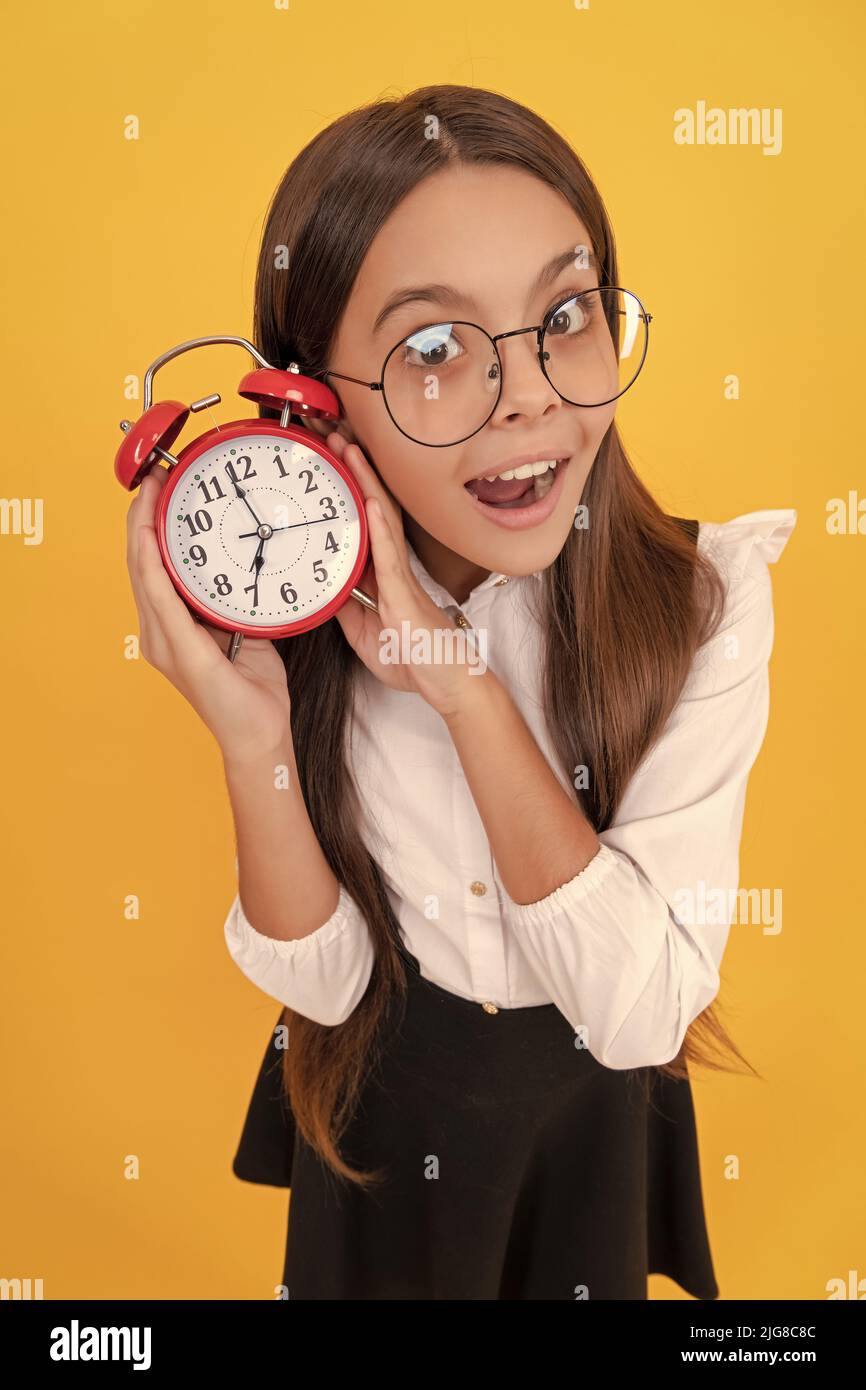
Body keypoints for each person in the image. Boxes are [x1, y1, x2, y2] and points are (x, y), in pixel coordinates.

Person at [124, 84, 796, 1300]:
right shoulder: (299, 630)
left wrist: (459, 685)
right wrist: (251, 738)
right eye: (433, 349)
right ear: (314, 406)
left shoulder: (703, 606)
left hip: (579, 1119)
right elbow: (323, 986)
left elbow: (638, 1015)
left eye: (566, 313)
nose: (533, 394)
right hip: (381, 1117)